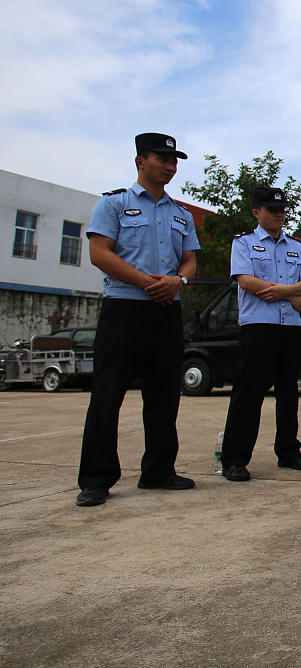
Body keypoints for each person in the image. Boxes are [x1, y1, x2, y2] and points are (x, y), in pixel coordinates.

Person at [76, 133, 198, 507]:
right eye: (162, 158)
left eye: (174, 160)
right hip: (124, 308)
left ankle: (159, 470)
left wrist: (179, 280)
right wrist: (148, 282)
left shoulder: (182, 214)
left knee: (164, 394)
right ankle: (97, 478)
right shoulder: (114, 204)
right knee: (107, 393)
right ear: (140, 161)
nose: (169, 165)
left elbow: (190, 260)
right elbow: (100, 253)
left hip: (165, 311)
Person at [219, 186, 301, 482]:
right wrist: (291, 294)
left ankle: (288, 451)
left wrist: (284, 293)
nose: (279, 215)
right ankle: (234, 459)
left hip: (289, 327)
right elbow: (246, 281)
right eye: (272, 210)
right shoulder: (244, 243)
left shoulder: (295, 246)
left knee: (289, 392)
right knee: (249, 393)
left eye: (282, 210)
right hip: (258, 326)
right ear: (256, 213)